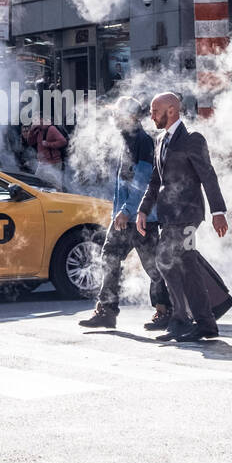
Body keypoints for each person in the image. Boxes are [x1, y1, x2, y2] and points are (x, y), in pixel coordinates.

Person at [136, 92, 229, 343]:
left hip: (188, 214)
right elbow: (155, 181)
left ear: (172, 110)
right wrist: (143, 210)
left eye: (156, 111)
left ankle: (180, 319)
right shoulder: (159, 140)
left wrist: (218, 212)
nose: (151, 115)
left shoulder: (192, 140)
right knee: (186, 265)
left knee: (165, 259)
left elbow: (208, 176)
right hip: (169, 215)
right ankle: (205, 323)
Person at [78, 97, 171, 330]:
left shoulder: (142, 142)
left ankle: (165, 310)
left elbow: (142, 181)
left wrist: (126, 211)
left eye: (118, 114)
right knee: (110, 258)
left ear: (130, 117)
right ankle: (106, 311)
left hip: (140, 217)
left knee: (153, 266)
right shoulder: (127, 140)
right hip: (125, 216)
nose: (114, 118)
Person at [23, 118, 66, 188]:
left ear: (42, 120)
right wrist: (31, 130)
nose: (34, 122)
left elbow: (63, 142)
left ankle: (59, 198)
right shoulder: (38, 130)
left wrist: (48, 144)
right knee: (36, 182)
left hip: (53, 162)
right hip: (42, 163)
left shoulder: (51, 129)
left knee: (56, 184)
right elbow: (30, 142)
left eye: (36, 120)